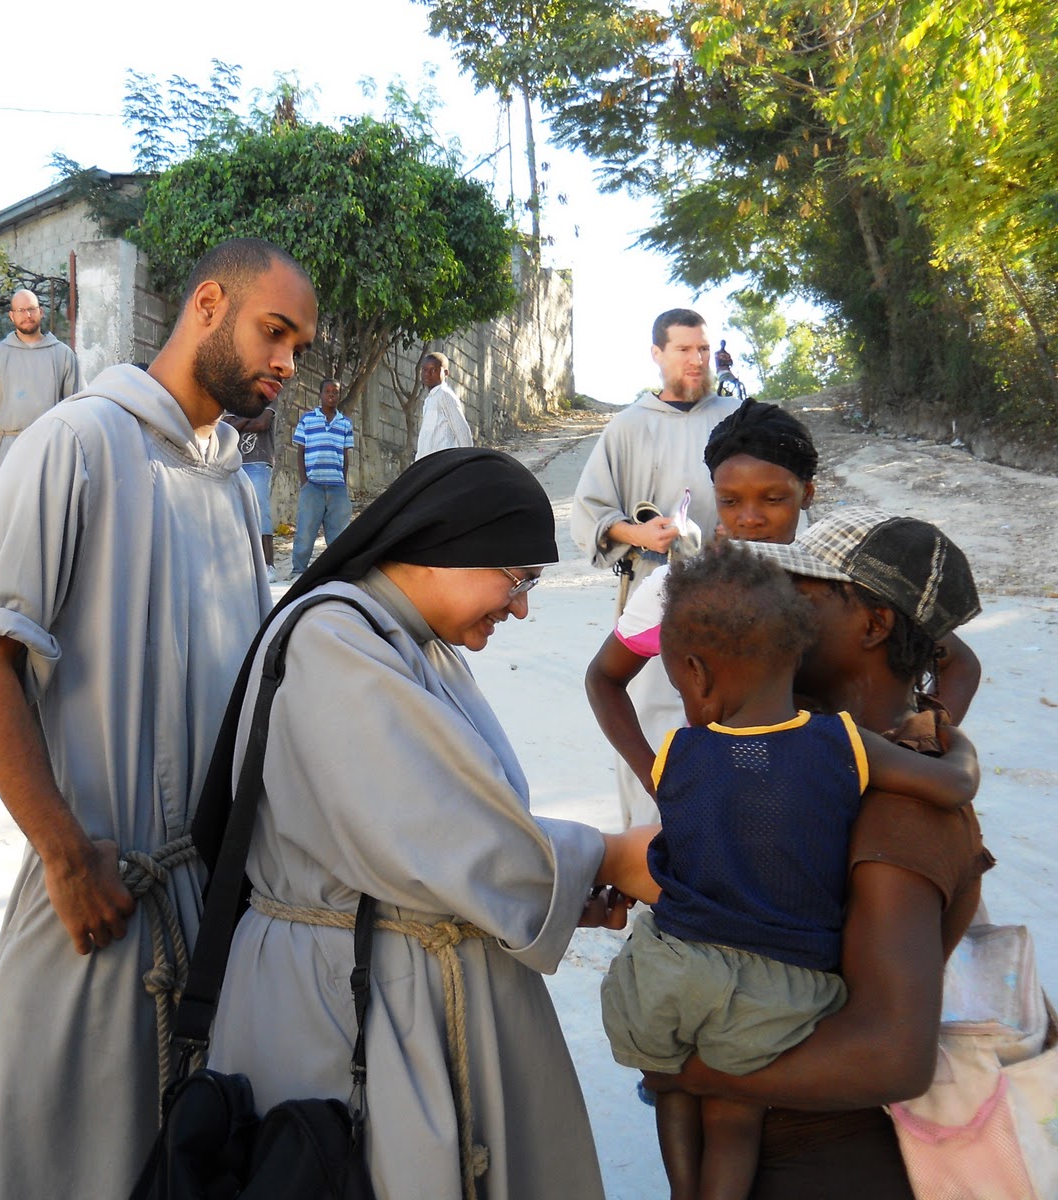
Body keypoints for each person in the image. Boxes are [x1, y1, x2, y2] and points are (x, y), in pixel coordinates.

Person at [0, 238, 316, 1198]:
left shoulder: (233, 487)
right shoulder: (77, 442)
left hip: (204, 915)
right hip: (95, 912)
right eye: (275, 333)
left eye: (299, 346)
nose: (286, 363)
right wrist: (65, 855)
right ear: (206, 304)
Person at [198, 448, 657, 1200]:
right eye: (518, 581)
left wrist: (558, 887)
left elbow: (453, 823)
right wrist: (604, 857)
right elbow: (435, 832)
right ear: (447, 548)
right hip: (344, 1002)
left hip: (394, 972)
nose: (521, 609)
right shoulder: (336, 642)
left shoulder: (409, 641)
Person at [600, 541, 979, 1200]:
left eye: (805, 598)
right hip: (773, 1005)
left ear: (873, 626)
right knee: (731, 1120)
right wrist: (954, 738)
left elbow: (894, 1056)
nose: (789, 618)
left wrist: (688, 1075)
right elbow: (952, 778)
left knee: (683, 1102)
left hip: (800, 1134)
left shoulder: (688, 754)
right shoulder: (847, 751)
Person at [586, 400, 819, 827]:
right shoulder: (677, 588)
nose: (749, 520)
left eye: (772, 499)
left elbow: (954, 660)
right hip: (710, 814)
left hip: (811, 809)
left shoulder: (833, 584)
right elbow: (603, 678)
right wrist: (654, 778)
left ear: (807, 493)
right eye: (730, 501)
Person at [570, 309, 743, 598]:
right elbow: (589, 513)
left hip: (733, 580)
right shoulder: (628, 425)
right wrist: (638, 534)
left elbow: (777, 495)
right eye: (683, 349)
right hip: (653, 587)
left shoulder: (738, 417)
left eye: (703, 349)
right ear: (657, 353)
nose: (697, 360)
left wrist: (742, 524)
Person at [0, 287, 81, 494]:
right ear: (12, 316)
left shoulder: (63, 355)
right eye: (20, 310)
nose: (27, 315)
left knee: (47, 513)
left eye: (31, 309)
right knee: (5, 515)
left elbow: (78, 408)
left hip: (49, 449)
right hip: (7, 449)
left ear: (41, 312)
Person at [291, 377, 354, 576]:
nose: (331, 395)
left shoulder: (345, 423)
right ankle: (299, 570)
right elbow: (300, 452)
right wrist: (305, 482)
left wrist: (343, 482)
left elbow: (345, 456)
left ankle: (339, 570)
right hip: (313, 485)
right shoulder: (307, 419)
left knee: (339, 533)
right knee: (306, 530)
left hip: (337, 487)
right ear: (320, 394)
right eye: (327, 391)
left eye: (335, 392)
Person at [222, 397, 280, 581]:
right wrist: (251, 416)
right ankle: (240, 565)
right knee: (236, 514)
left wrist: (240, 420)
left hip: (259, 461)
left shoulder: (269, 397)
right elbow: (226, 426)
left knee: (261, 512)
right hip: (237, 462)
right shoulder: (236, 395)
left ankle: (268, 565)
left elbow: (262, 424)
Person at [415, 350, 474, 458]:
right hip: (428, 463)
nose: (427, 374)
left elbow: (462, 431)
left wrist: (468, 462)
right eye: (424, 370)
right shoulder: (430, 399)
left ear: (446, 373)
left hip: (443, 463)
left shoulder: (445, 396)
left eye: (433, 370)